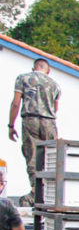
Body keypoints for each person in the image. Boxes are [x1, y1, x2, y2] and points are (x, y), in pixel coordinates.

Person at [8, 58, 60, 206]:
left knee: (32, 155)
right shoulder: (55, 85)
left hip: (30, 120)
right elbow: (55, 108)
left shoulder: (23, 78)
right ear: (48, 71)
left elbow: (16, 103)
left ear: (33, 68)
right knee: (51, 157)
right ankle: (51, 193)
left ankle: (35, 192)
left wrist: (11, 125)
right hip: (49, 122)